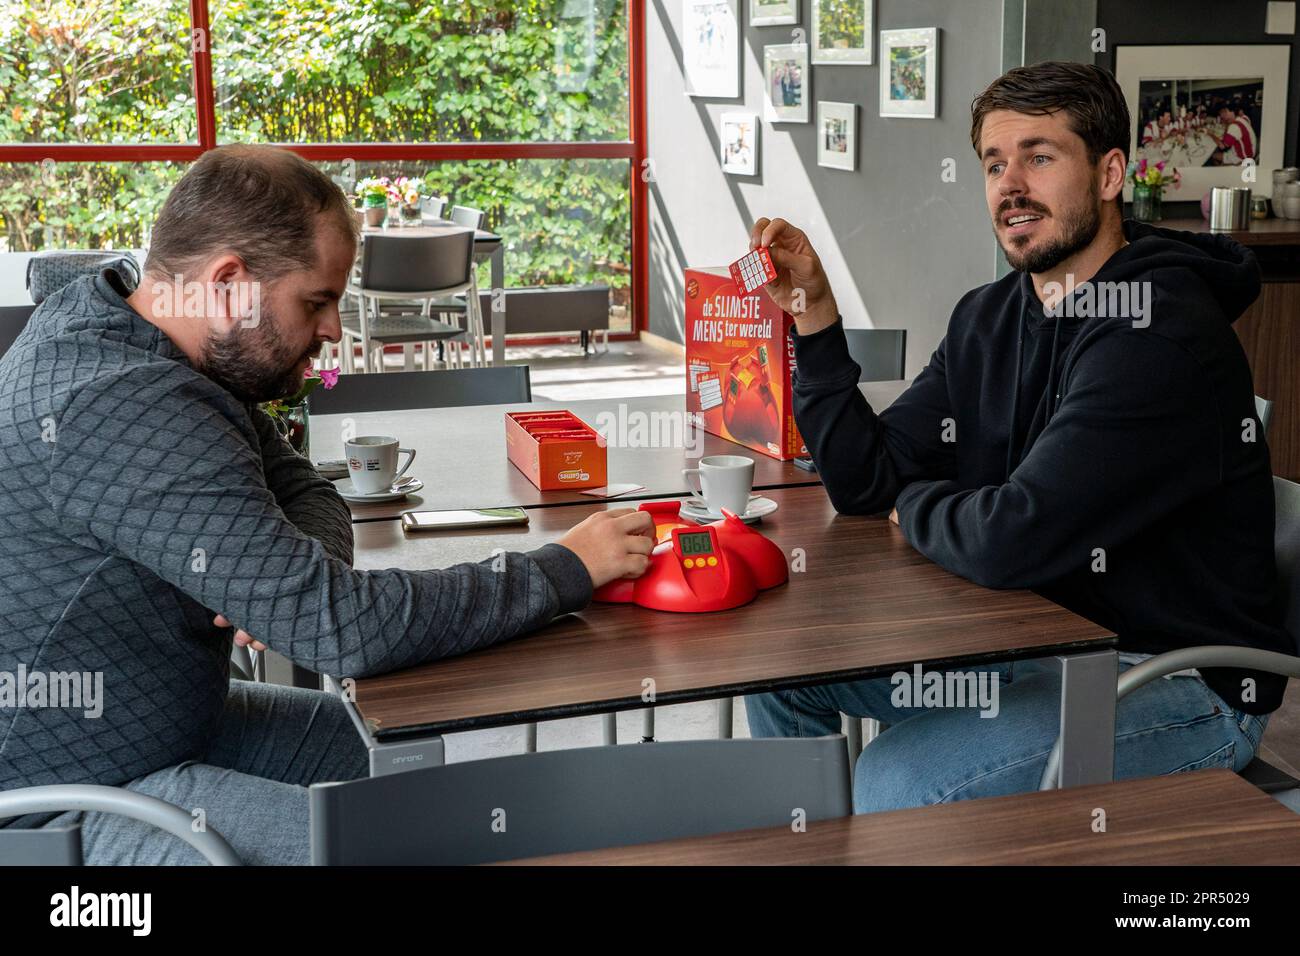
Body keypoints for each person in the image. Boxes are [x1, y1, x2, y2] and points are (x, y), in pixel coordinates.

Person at [0, 145, 656, 863]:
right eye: (316, 301)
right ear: (227, 285)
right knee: (388, 843)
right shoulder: (129, 404)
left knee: (405, 768)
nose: (335, 330)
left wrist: (289, 578)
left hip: (163, 719)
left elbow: (307, 488)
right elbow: (342, 630)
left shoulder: (134, 333)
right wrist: (565, 567)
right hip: (61, 794)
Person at [744, 61, 1289, 813]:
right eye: (995, 164)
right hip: (1030, 640)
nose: (1010, 185)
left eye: (1039, 156)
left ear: (1109, 174)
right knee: (784, 678)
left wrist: (922, 504)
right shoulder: (990, 317)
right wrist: (814, 313)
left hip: (1170, 676)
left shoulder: (1156, 332)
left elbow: (1012, 538)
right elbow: (866, 482)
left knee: (899, 779)